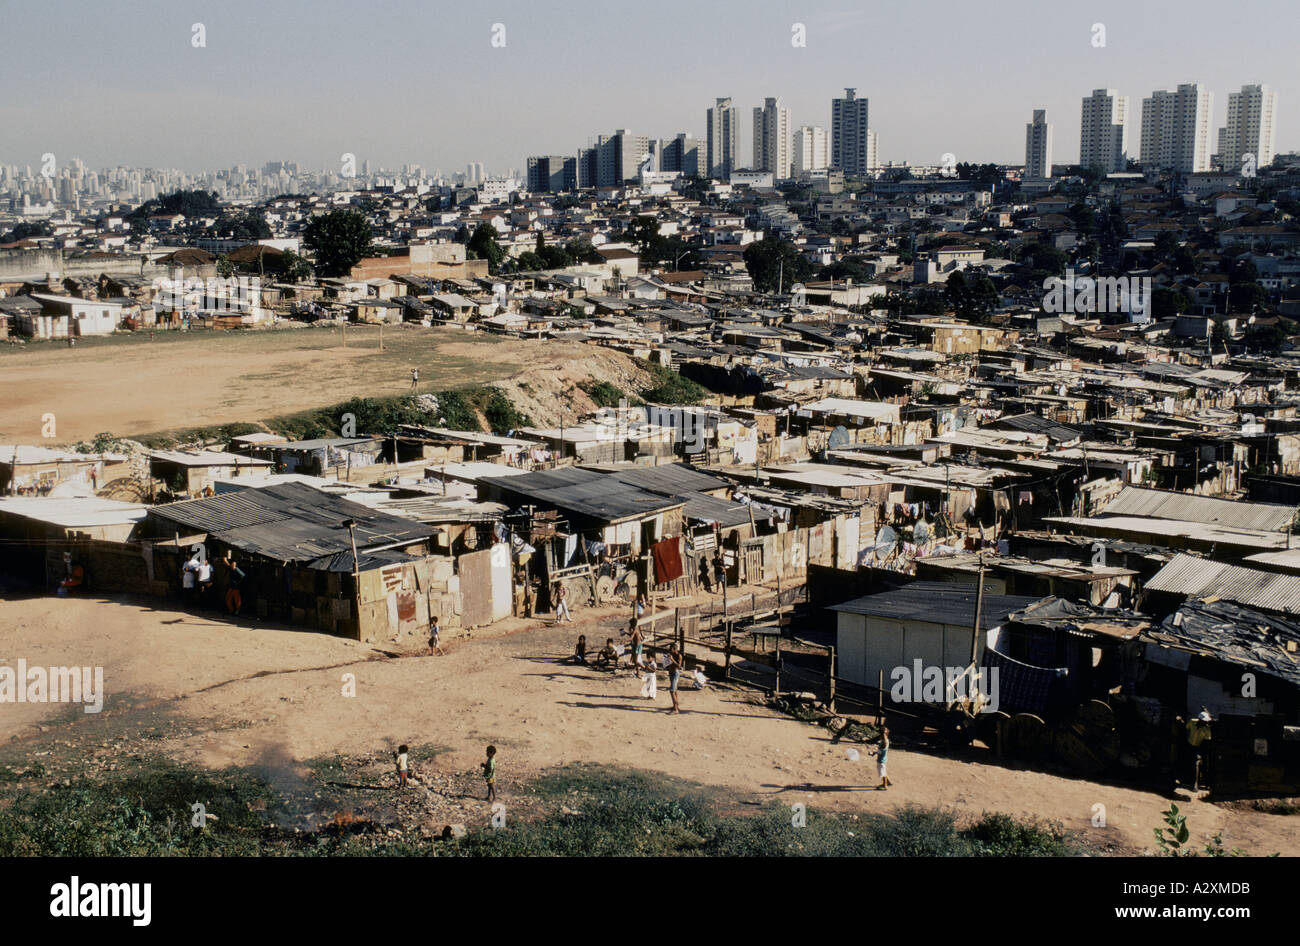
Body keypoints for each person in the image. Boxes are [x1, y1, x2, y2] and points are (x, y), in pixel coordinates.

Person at [665, 644, 682, 715]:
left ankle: (676, 709)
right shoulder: (671, 654)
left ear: (675, 649)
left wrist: (672, 659)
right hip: (671, 672)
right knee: (675, 690)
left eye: (671, 650)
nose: (670, 651)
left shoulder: (679, 656)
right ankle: (675, 705)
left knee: (672, 691)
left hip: (675, 673)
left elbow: (679, 666)